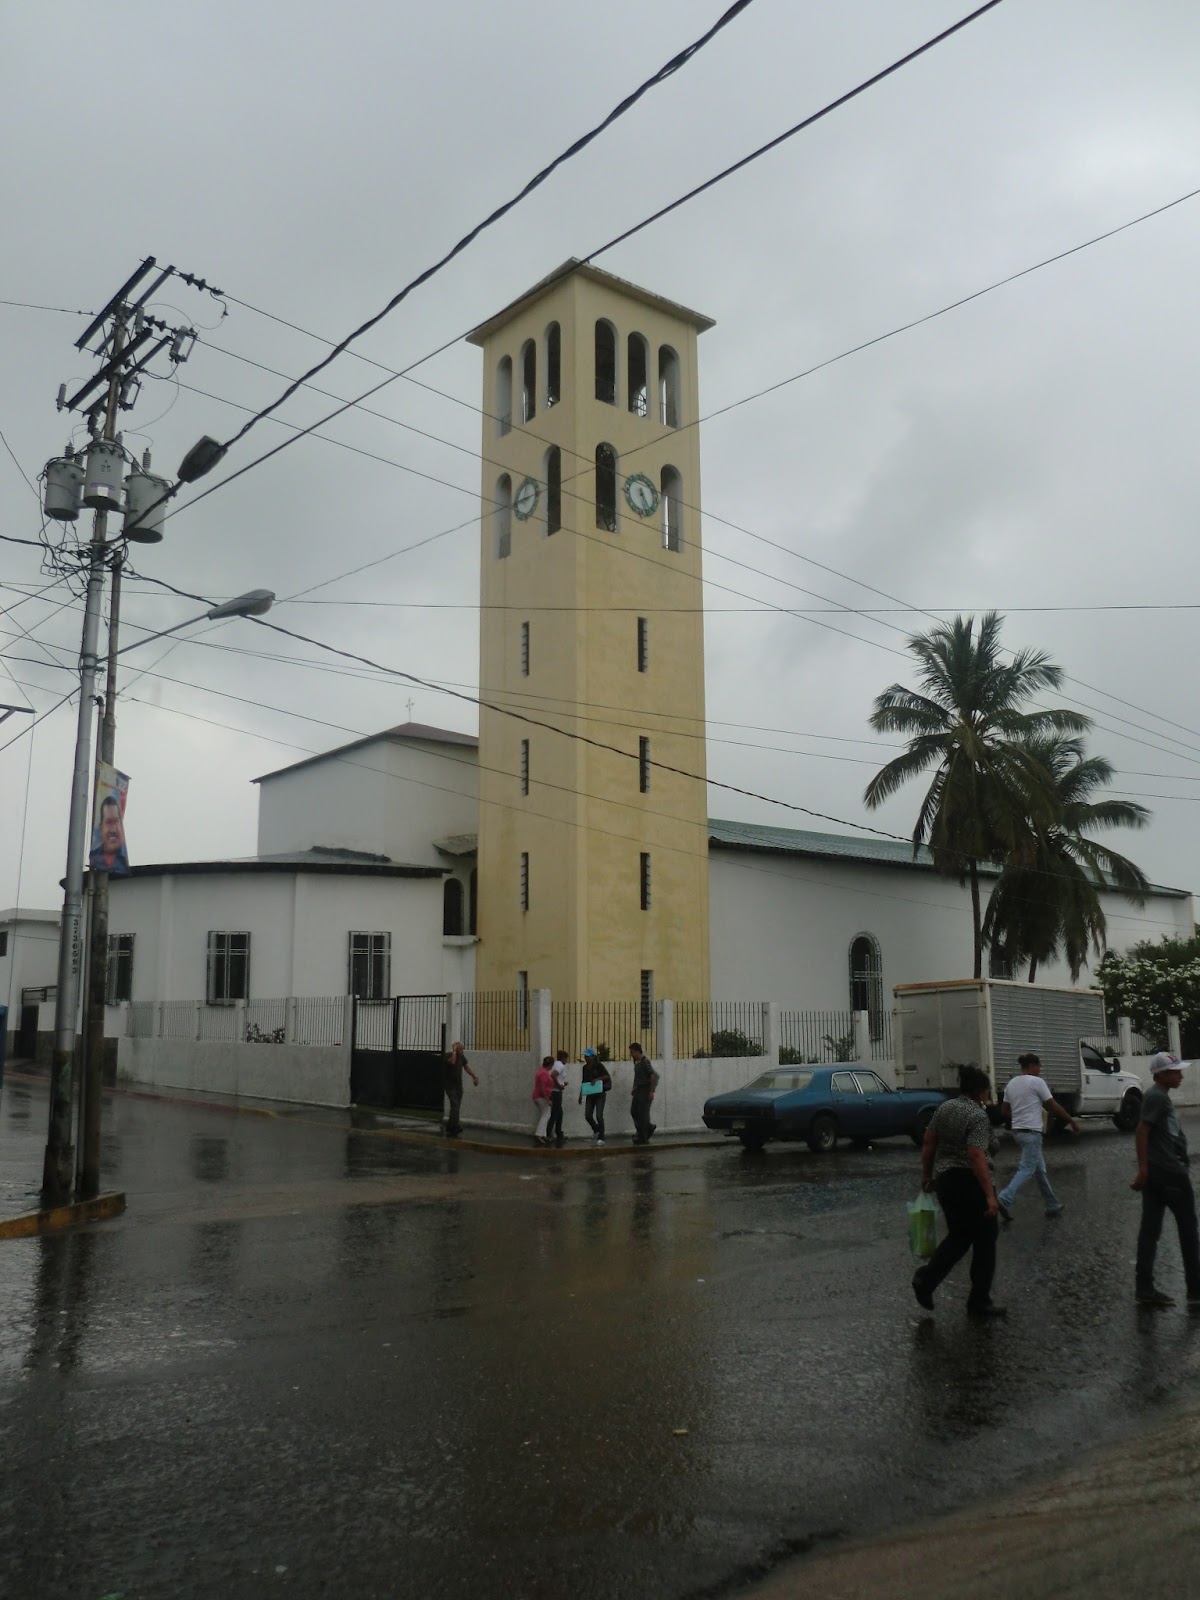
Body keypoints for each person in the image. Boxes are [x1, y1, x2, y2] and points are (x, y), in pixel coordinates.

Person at [911, 1065, 1006, 1319]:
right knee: (986, 1240)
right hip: (970, 1183)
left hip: (946, 1183)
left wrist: (927, 1176)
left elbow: (929, 1143)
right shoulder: (977, 1116)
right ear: (979, 1092)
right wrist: (989, 1195)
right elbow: (976, 1156)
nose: (988, 1096)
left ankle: (926, 1281)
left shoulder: (945, 1108)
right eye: (987, 1091)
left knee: (959, 1237)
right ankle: (979, 1302)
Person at [1132, 1051, 1200, 1309]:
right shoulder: (1157, 1097)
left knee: (1150, 1230)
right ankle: (1195, 1289)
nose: (1181, 1076)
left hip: (1158, 1172)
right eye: (1176, 1072)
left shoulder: (1157, 1096)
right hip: (1170, 1173)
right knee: (1188, 1230)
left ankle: (1144, 1288)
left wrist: (1147, 1170)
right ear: (1161, 1074)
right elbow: (1142, 1131)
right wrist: (1142, 1169)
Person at [996, 1052, 1079, 1221]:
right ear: (1032, 1066)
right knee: (1027, 1169)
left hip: (1017, 1132)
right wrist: (1071, 1120)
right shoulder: (1037, 1082)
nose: (1040, 1070)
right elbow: (1053, 1105)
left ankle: (1052, 1203)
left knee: (1039, 1170)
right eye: (1039, 1066)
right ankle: (1004, 1198)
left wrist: (1019, 1113)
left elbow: (1004, 1111)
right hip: (1032, 1133)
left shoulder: (1011, 1084)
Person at [442, 1041, 477, 1139]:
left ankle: (450, 1126)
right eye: (460, 1049)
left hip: (458, 1086)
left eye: (463, 1049)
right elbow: (452, 1062)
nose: (462, 1051)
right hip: (450, 1086)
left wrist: (474, 1076)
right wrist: (453, 1051)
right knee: (455, 1105)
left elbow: (466, 1068)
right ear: (456, 1049)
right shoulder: (447, 1056)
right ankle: (455, 1126)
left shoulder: (462, 1057)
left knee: (455, 1106)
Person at [89, 794, 129, 874]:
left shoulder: (123, 862)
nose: (113, 829)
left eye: (116, 821)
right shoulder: (94, 856)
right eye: (108, 822)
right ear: (101, 828)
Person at [579, 1047, 612, 1144]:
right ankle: (596, 1129)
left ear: (593, 1057)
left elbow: (607, 1076)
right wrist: (581, 1094)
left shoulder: (599, 1065)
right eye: (585, 1056)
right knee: (588, 1115)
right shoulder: (585, 1068)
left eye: (588, 1056)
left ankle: (601, 1137)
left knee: (599, 1115)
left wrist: (597, 1079)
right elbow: (584, 1081)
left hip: (599, 1094)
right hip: (590, 1093)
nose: (586, 1058)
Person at [629, 1042, 659, 1145]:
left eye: (632, 1052)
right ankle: (647, 1128)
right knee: (634, 1111)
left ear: (638, 1051)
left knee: (643, 1113)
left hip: (645, 1090)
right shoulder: (636, 1062)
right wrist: (634, 1087)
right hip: (638, 1090)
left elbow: (652, 1076)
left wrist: (651, 1091)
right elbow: (638, 1077)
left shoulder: (645, 1061)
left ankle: (643, 1135)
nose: (631, 1054)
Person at [532, 1056, 556, 1147]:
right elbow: (542, 1087)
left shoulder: (540, 1071)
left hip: (538, 1096)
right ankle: (539, 1134)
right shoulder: (544, 1074)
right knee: (546, 1115)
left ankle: (543, 1135)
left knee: (545, 1114)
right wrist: (547, 1099)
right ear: (550, 1065)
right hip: (541, 1097)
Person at [547, 1050, 568, 1147]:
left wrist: (562, 1083)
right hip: (556, 1092)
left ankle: (559, 1133)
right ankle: (549, 1134)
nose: (566, 1060)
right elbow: (553, 1075)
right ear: (563, 1058)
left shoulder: (555, 1064)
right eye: (566, 1058)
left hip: (553, 1092)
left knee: (559, 1113)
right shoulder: (560, 1065)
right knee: (556, 1113)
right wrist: (559, 1086)